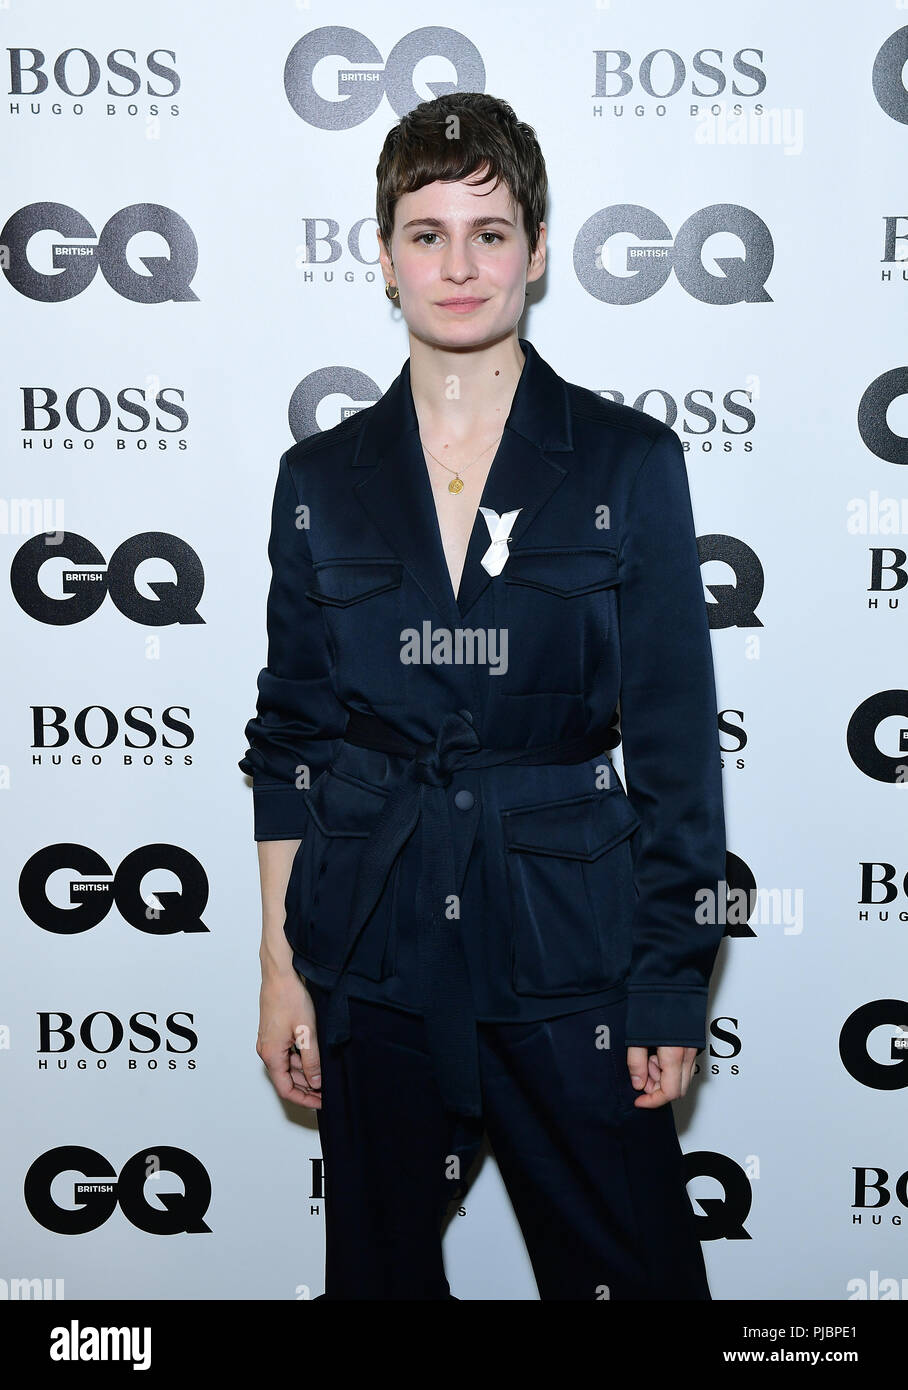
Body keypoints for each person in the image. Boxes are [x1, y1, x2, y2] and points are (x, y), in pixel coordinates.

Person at [239, 92, 726, 1301]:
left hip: (571, 949)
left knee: (638, 1281)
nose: (458, 265)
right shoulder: (320, 478)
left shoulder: (625, 461)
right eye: (425, 232)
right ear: (385, 256)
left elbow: (672, 744)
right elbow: (290, 736)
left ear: (539, 250)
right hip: (372, 944)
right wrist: (281, 967)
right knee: (380, 1284)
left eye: (489, 231)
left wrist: (668, 982)